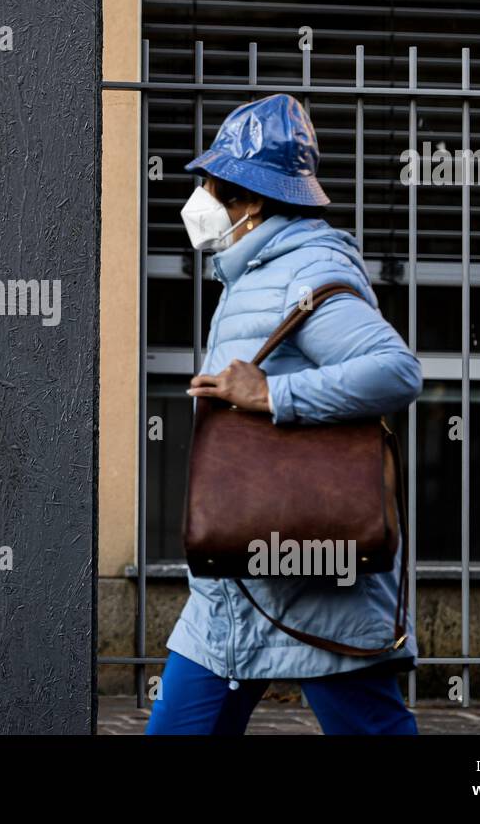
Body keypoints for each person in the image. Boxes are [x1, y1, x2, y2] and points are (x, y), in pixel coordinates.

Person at [145, 93, 424, 734]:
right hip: (239, 579)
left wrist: (271, 396)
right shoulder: (254, 273)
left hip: (307, 576)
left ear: (251, 197)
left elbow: (395, 371)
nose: (200, 201)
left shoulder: (306, 270)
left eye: (211, 185)